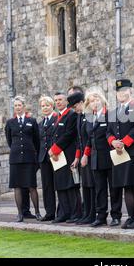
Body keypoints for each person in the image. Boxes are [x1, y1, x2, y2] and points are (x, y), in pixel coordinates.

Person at [107, 79, 134, 229]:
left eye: (124, 90)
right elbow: (109, 132)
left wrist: (124, 142)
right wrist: (113, 142)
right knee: (126, 187)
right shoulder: (113, 112)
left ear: (130, 91)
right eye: (118, 91)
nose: (121, 93)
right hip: (119, 153)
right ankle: (131, 217)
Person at [81, 88, 123, 227]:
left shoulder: (110, 115)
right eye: (92, 101)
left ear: (102, 100)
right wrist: (85, 155)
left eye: (97, 99)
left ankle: (116, 215)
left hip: (110, 156)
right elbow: (89, 139)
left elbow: (114, 133)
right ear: (88, 103)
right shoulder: (89, 119)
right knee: (99, 189)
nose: (95, 103)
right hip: (95, 157)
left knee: (114, 188)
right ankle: (101, 216)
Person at [5, 96, 41, 222]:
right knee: (17, 186)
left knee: (32, 186)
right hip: (15, 158)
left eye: (19, 105)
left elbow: (37, 140)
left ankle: (37, 212)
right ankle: (20, 213)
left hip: (29, 157)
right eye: (15, 106)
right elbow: (10, 140)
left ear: (23, 107)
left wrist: (34, 154)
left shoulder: (32, 120)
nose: (17, 108)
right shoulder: (10, 123)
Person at [49, 92, 80, 223]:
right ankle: (64, 213)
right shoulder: (58, 117)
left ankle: (75, 213)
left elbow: (69, 134)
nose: (58, 102)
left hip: (67, 154)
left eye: (60, 99)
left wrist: (54, 149)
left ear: (67, 101)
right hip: (58, 157)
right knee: (60, 184)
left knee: (71, 185)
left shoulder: (71, 115)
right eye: (56, 100)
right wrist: (53, 151)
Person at [73, 91, 96, 225]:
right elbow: (79, 140)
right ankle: (87, 212)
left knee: (91, 185)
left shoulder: (89, 116)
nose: (75, 109)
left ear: (82, 103)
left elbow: (89, 139)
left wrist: (85, 155)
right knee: (85, 185)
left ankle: (92, 213)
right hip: (82, 156)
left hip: (90, 155)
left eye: (76, 106)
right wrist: (77, 157)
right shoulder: (79, 117)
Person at [38, 96, 58, 222]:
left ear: (52, 106)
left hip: (55, 156)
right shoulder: (40, 123)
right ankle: (49, 212)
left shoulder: (57, 119)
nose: (45, 108)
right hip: (43, 158)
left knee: (59, 185)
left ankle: (62, 212)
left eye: (47, 105)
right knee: (47, 186)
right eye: (43, 106)